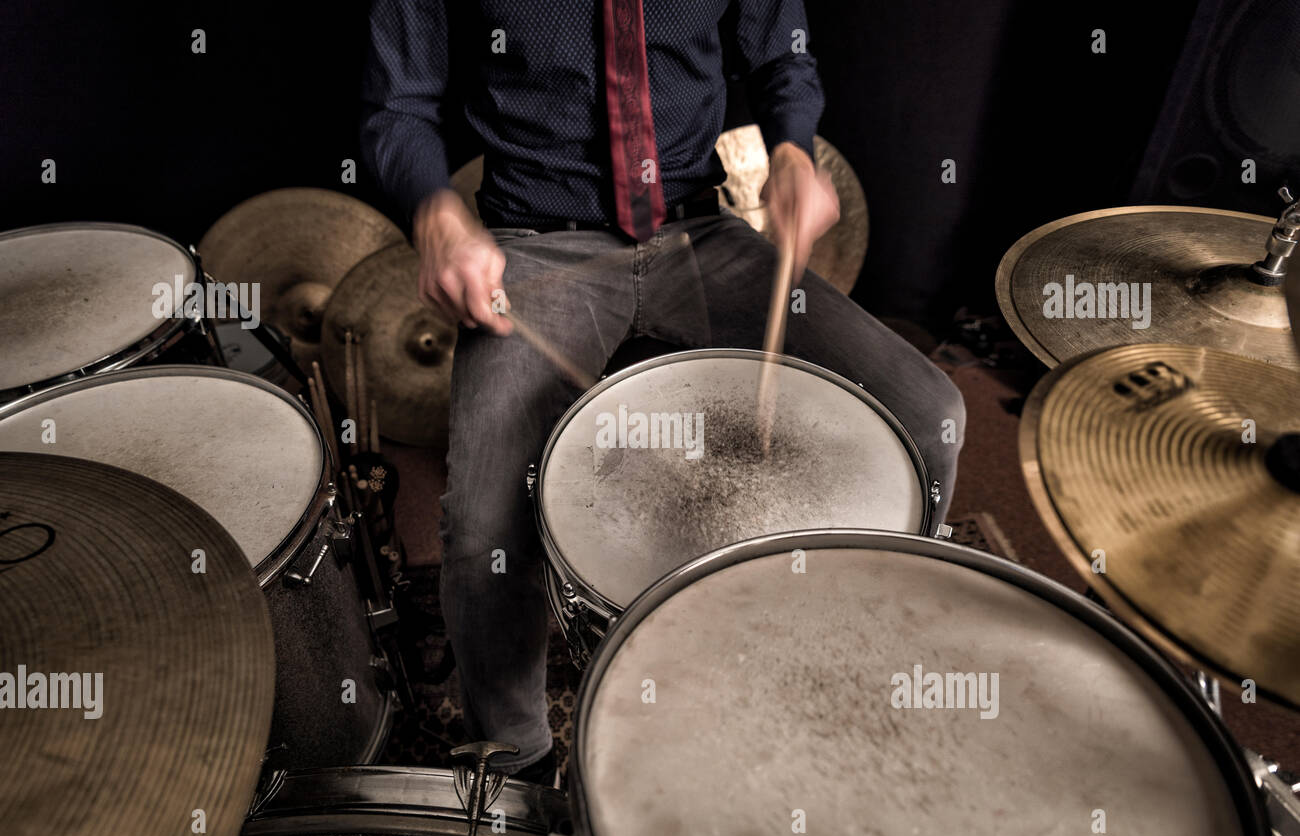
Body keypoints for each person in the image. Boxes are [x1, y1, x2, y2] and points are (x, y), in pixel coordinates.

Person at [361, 0, 966, 782]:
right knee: (482, 530)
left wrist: (790, 147)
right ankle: (516, 767)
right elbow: (397, 105)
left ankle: (845, 650)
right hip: (536, 244)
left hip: (700, 234)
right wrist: (435, 211)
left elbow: (782, 48)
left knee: (930, 418)